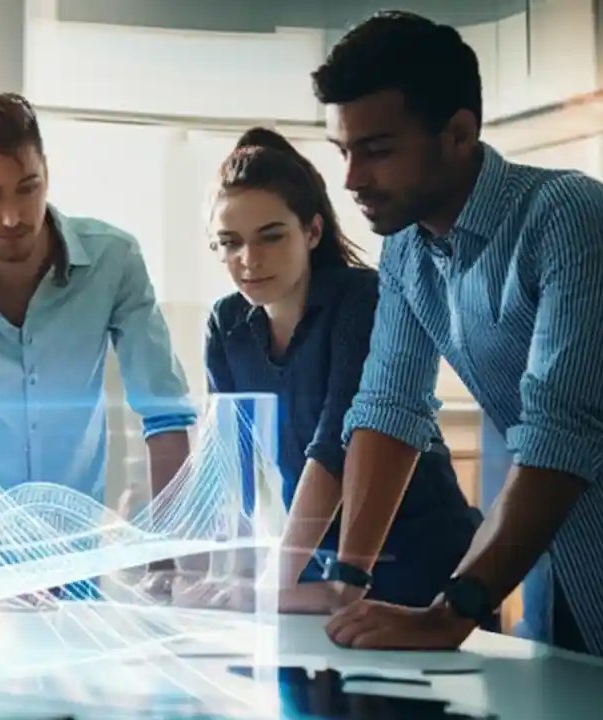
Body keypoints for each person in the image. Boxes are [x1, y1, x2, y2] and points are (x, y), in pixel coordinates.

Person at [308, 11, 603, 662]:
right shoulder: (406, 248)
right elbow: (388, 408)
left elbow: (562, 431)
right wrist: (346, 580)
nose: (351, 180)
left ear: (458, 134)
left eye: (377, 150)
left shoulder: (574, 220)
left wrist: (451, 611)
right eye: (343, 152)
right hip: (550, 566)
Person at [0, 93, 196, 597]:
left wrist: (170, 561)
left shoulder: (114, 260)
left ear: (46, 170)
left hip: (75, 556)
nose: (12, 216)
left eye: (28, 189)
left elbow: (165, 414)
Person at [175, 127, 481, 616]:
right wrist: (222, 576)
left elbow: (335, 444)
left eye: (271, 237)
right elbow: (230, 462)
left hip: (417, 558)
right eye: (230, 243)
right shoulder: (226, 323)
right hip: (317, 565)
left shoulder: (361, 298)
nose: (249, 261)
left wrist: (275, 582)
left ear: (312, 232)